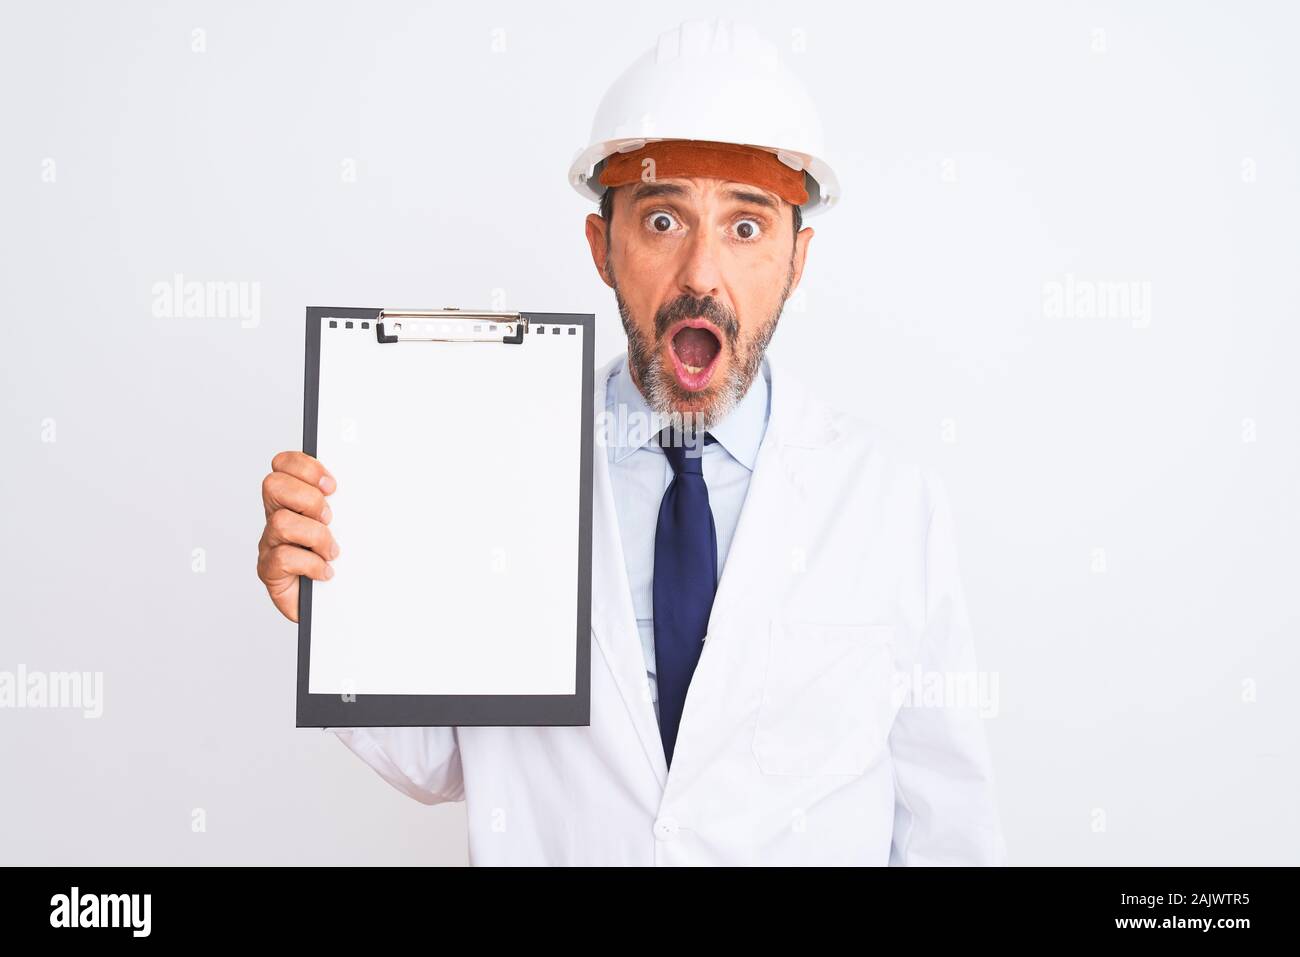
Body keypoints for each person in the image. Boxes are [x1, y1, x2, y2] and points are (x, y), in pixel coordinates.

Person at [257, 18, 1007, 866]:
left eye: (747, 228)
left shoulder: (888, 497)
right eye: (661, 220)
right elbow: (440, 759)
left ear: (798, 260)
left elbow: (949, 817)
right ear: (601, 246)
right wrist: (335, 608)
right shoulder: (497, 457)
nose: (700, 273)